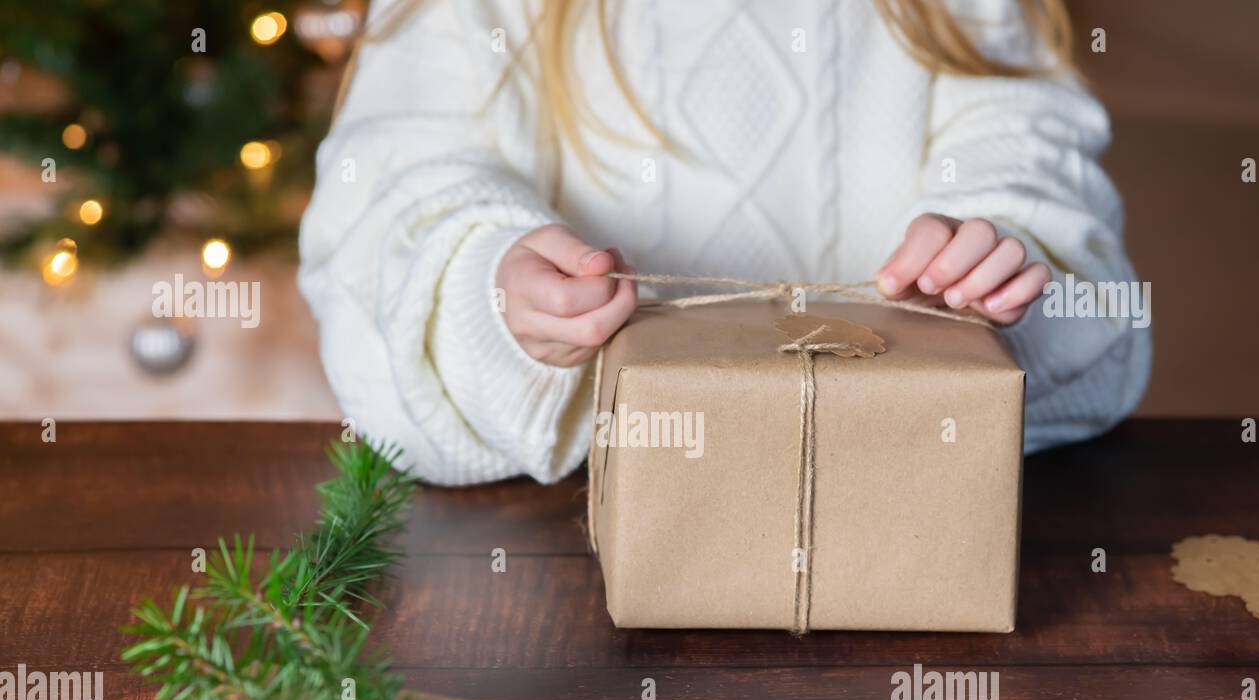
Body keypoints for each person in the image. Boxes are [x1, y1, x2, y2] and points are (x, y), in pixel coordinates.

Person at [300, 0, 1150, 485]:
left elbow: (1027, 155)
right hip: (584, 549)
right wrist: (494, 296)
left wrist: (991, 263)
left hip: (907, 505)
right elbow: (391, 203)